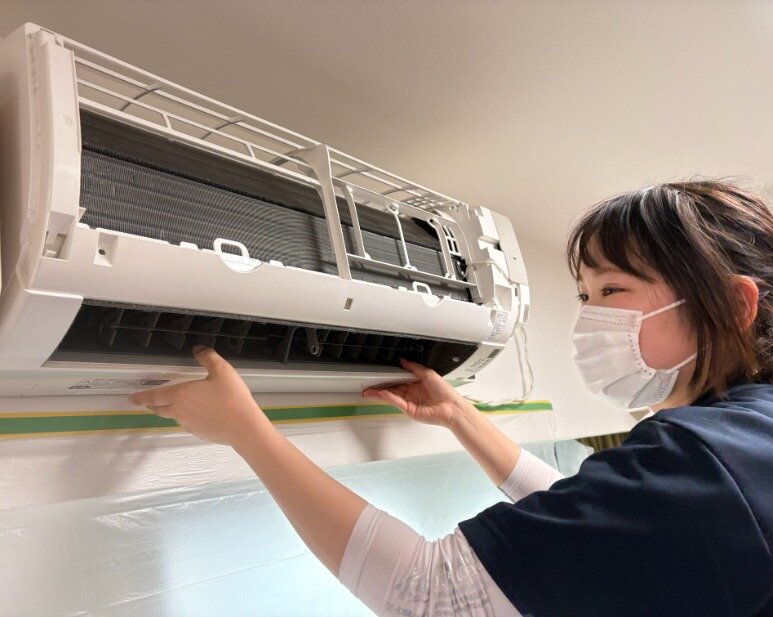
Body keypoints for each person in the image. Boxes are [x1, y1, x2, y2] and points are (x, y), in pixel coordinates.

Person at [128, 179, 772, 616]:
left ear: (731, 305)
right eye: (584, 296)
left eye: (611, 291)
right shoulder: (743, 445)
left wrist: (247, 433)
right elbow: (600, 524)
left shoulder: (706, 457)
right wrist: (463, 418)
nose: (587, 319)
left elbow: (431, 595)